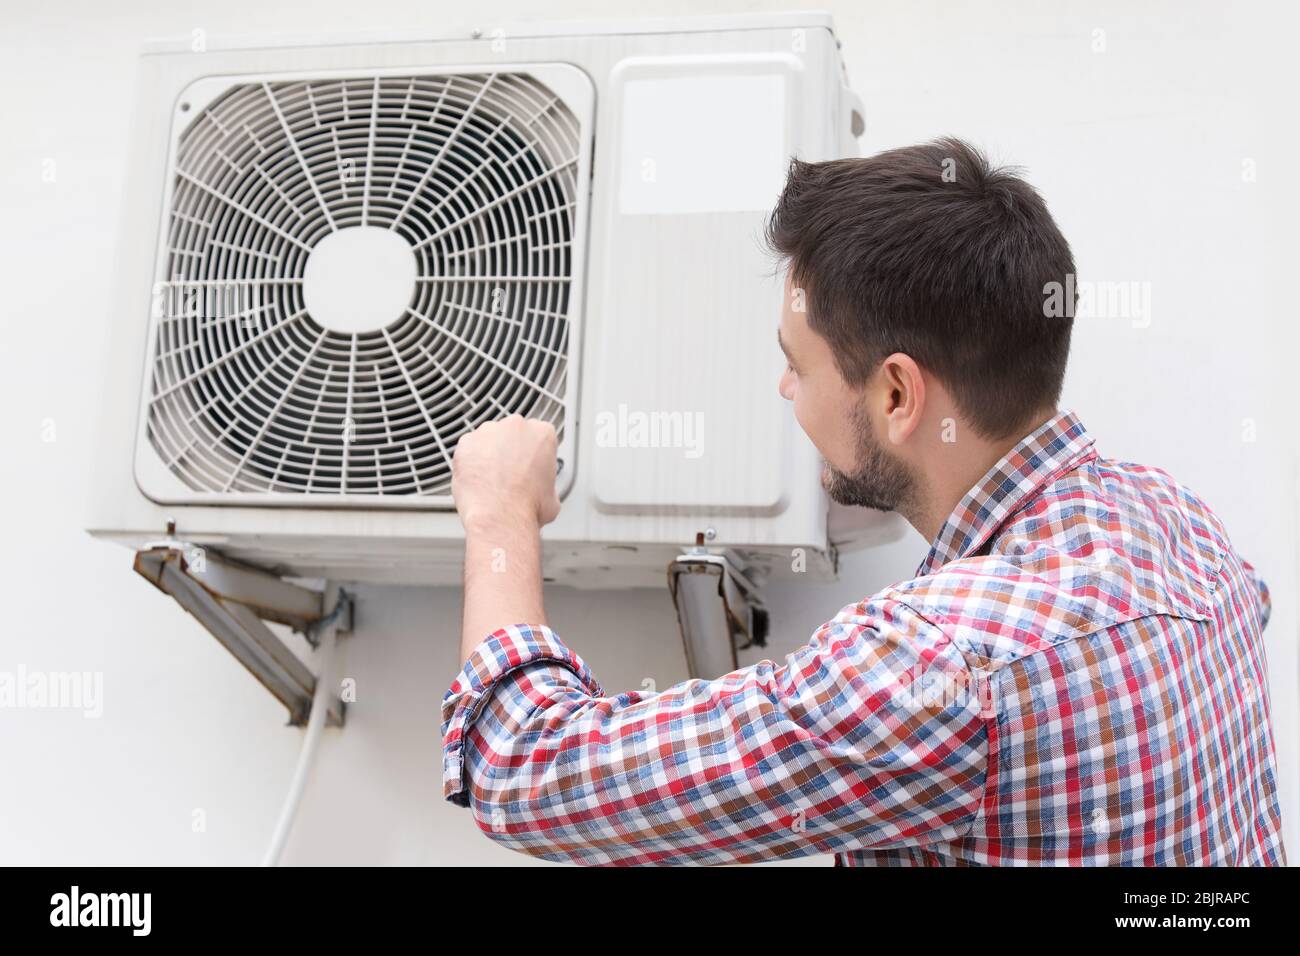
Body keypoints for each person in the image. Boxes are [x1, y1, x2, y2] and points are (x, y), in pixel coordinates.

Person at [441, 138, 1286, 866]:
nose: (785, 389)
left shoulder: (933, 667)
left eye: (798, 365)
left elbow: (521, 767)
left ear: (896, 397)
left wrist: (499, 515)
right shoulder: (1173, 519)